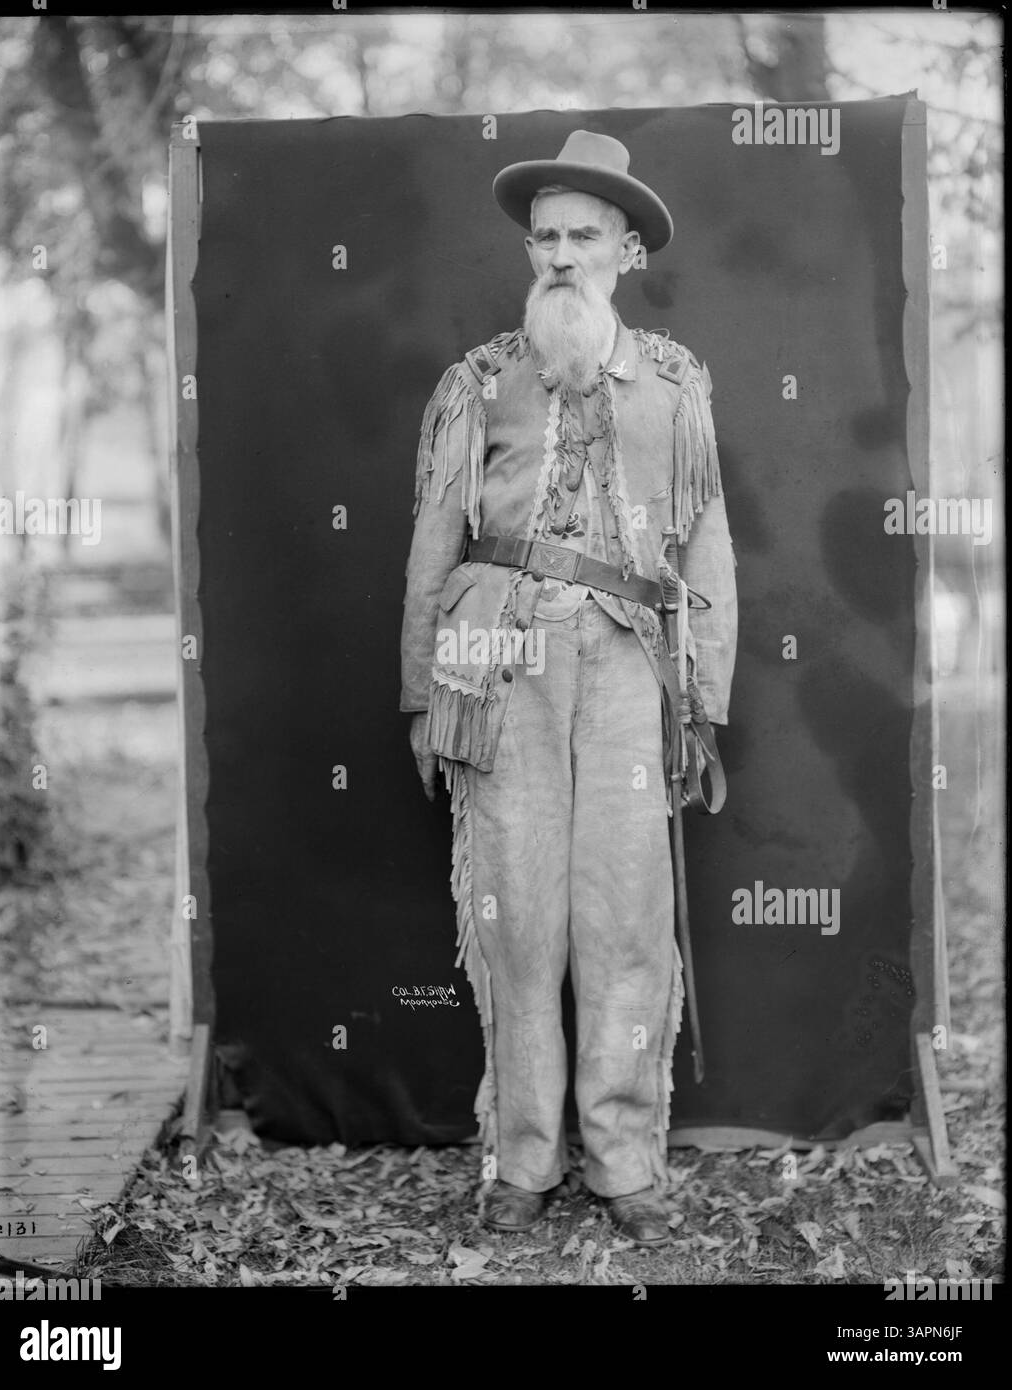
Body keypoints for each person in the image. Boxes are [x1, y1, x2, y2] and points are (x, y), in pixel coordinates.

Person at [400, 130, 737, 1246]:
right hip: (496, 664)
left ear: (626, 250)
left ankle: (626, 1159)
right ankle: (523, 1159)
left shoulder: (678, 383)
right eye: (542, 236)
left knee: (626, 918)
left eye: (581, 236)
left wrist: (705, 698)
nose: (556, 255)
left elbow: (707, 550)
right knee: (516, 916)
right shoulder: (479, 379)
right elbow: (432, 541)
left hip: (633, 672)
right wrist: (418, 692)